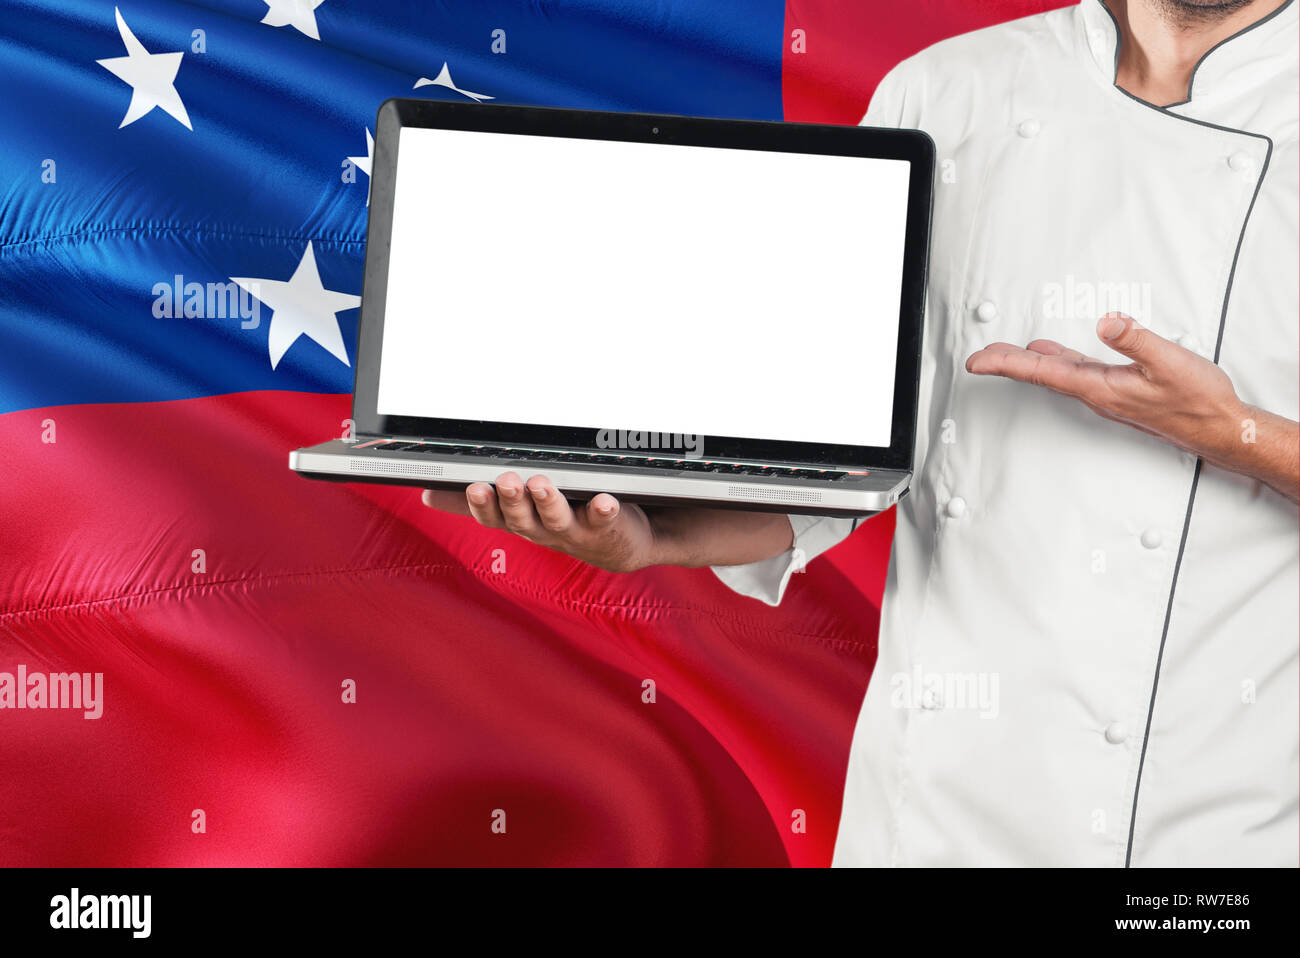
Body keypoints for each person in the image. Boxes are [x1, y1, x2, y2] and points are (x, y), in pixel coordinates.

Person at [422, 0, 1299, 866]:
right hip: (937, 817)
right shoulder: (947, 91)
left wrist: (1236, 435)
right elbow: (849, 458)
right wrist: (654, 536)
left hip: (1218, 826)